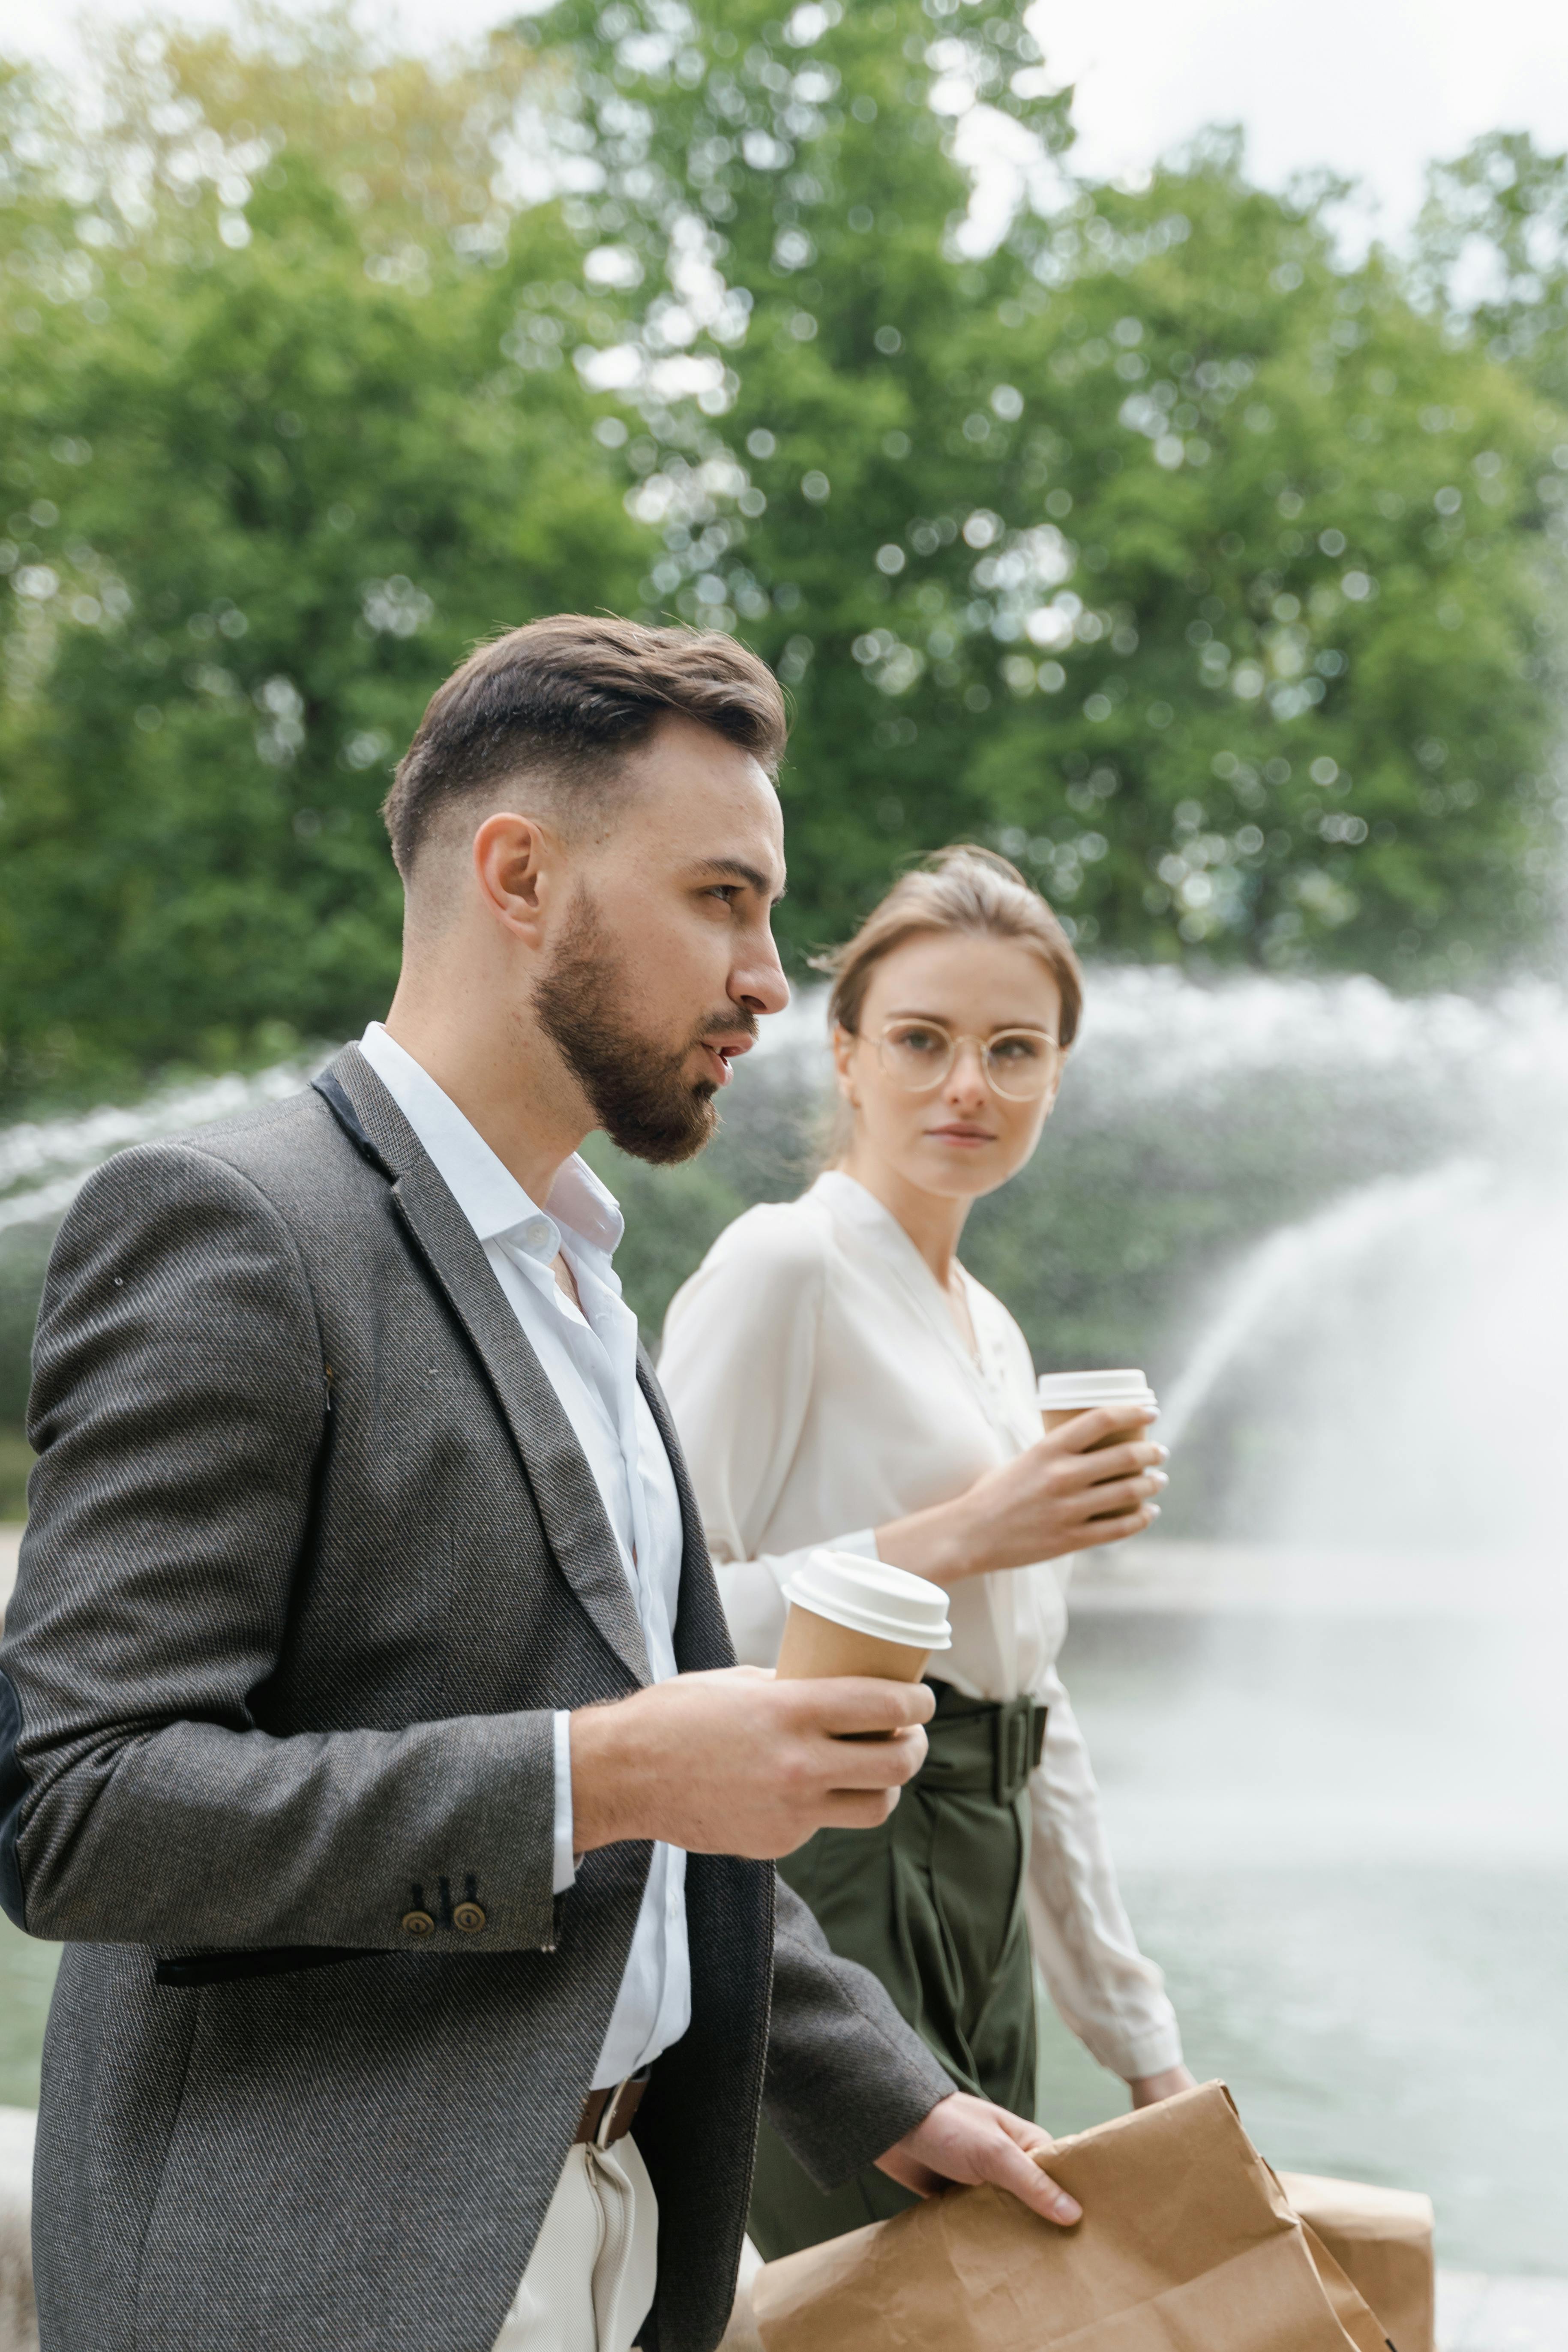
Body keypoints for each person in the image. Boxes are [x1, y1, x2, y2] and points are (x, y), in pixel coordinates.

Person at [0, 628, 1087, 2352]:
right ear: (519, 874)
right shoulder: (226, 1225)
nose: (763, 980)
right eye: (722, 899)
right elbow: (85, 1808)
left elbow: (667, 1810)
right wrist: (608, 1768)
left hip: (620, 2234)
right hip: (329, 2283)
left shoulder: (584, 1272)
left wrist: (887, 2086)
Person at [658, 845, 1196, 2262]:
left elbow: (1036, 1714)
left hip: (983, 1879)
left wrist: (1143, 2048)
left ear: (1056, 1079)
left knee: (985, 2294)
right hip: (829, 1869)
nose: (970, 1085)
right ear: (844, 1057)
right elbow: (647, 1633)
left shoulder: (998, 1336)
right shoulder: (783, 1267)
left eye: (1015, 1050)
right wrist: (961, 1537)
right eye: (922, 1040)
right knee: (866, 2296)